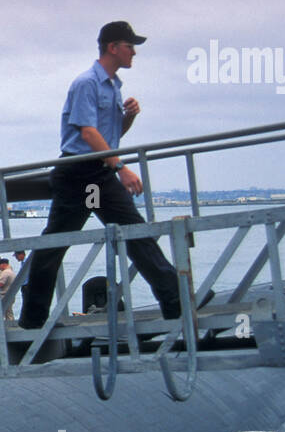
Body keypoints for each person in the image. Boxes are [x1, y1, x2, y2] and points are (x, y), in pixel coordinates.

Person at [18, 21, 184, 330]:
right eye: (129, 45)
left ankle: (176, 301)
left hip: (98, 172)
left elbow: (108, 137)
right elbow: (87, 132)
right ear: (112, 47)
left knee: (135, 233)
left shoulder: (114, 86)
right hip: (79, 173)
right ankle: (33, 317)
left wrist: (128, 118)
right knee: (55, 243)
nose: (134, 51)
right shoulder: (87, 83)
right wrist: (121, 168)